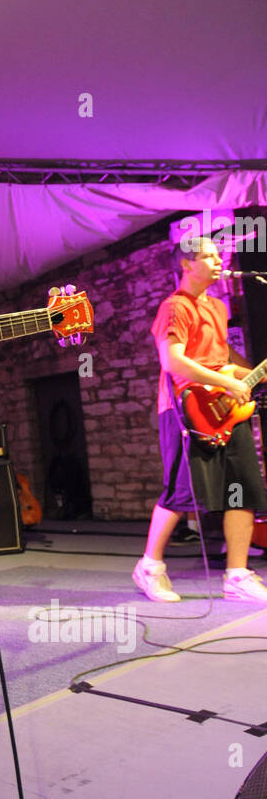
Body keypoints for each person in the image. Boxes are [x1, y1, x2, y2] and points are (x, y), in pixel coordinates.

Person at [132, 236, 267, 603]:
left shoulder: (219, 307)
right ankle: (149, 567)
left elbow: (219, 358)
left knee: (241, 486)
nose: (219, 260)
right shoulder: (175, 307)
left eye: (219, 255)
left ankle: (236, 575)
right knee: (181, 491)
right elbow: (172, 361)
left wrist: (246, 374)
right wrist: (226, 380)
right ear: (186, 265)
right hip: (186, 410)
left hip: (227, 407)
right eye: (208, 256)